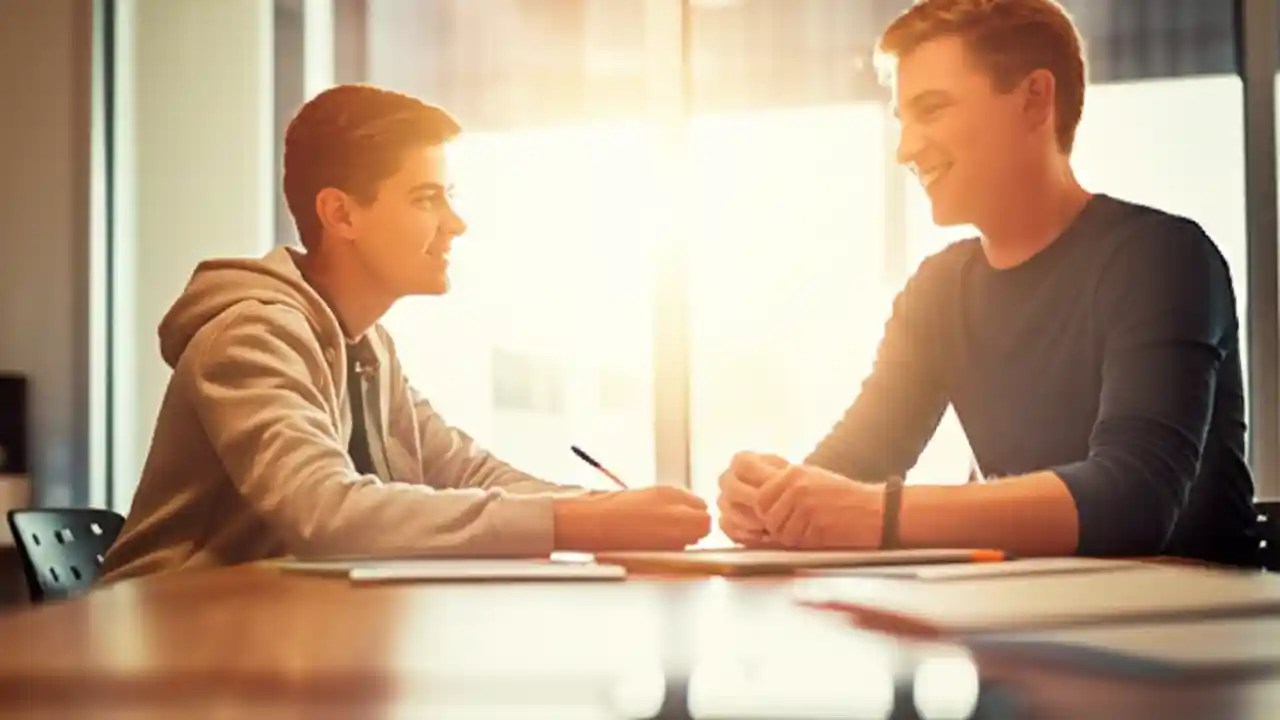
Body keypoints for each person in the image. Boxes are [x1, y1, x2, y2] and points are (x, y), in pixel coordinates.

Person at [716, 0, 1257, 566]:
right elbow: (854, 465)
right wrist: (774, 500)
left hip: (1193, 631)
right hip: (1029, 626)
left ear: (1034, 100)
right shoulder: (938, 291)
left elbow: (1134, 501)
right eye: (903, 121)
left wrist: (878, 513)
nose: (905, 150)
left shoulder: (1161, 259)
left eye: (933, 109)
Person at [102, 85, 709, 581]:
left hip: (272, 632)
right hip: (168, 639)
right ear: (341, 214)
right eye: (426, 199)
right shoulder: (252, 335)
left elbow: (466, 472)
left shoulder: (365, 346)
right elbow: (328, 513)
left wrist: (608, 509)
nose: (455, 223)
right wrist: (581, 522)